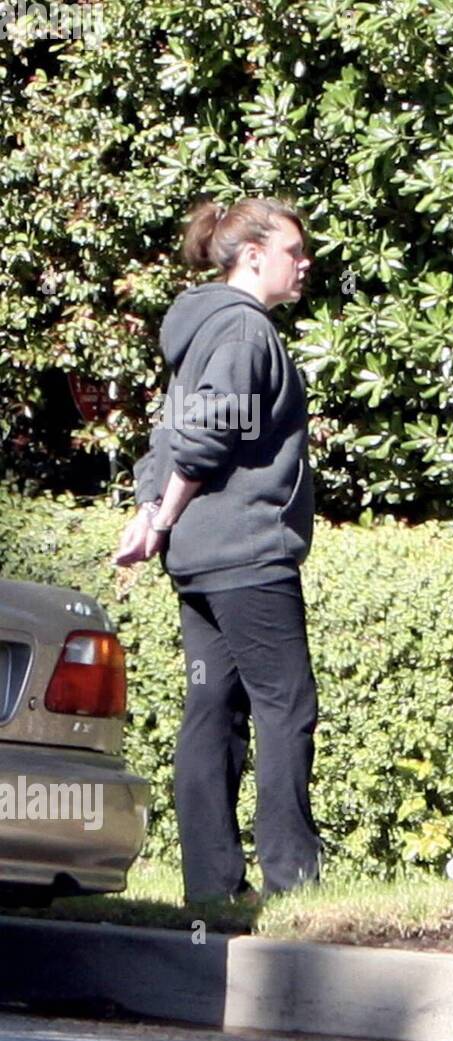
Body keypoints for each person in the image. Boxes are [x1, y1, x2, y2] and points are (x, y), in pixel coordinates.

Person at [115, 196, 322, 907]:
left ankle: (210, 889)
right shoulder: (240, 331)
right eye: (294, 251)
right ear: (253, 256)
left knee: (213, 707)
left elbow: (169, 434)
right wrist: (162, 514)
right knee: (286, 705)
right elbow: (206, 437)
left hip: (203, 558)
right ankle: (292, 881)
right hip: (246, 552)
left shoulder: (201, 328)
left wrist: (153, 514)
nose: (305, 264)